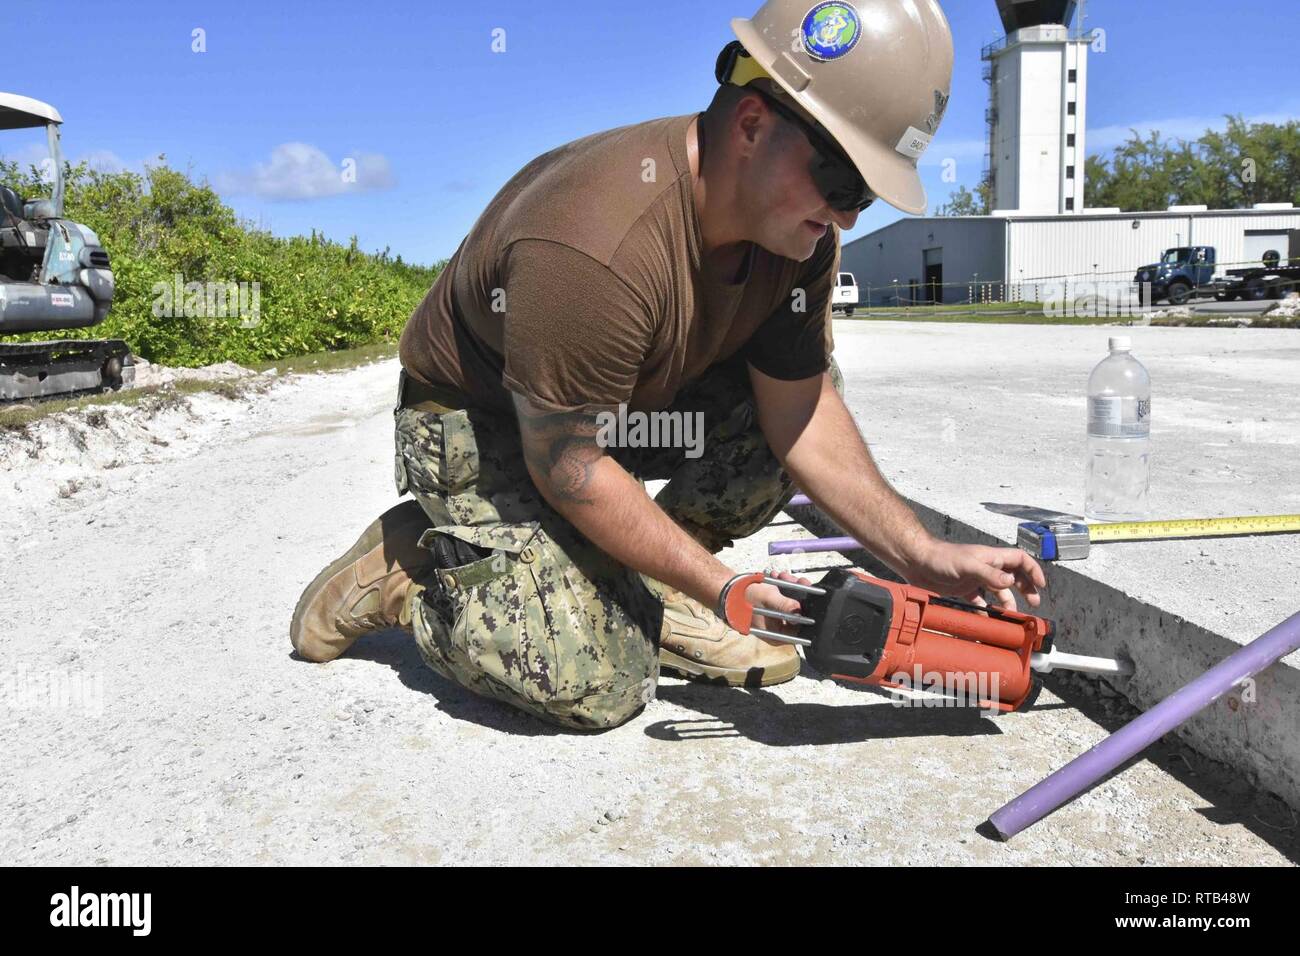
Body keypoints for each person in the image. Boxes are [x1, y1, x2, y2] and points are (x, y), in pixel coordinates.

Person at [291, 0, 1045, 730]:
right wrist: (724, 589)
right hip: (486, 428)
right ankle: (413, 575)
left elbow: (801, 415)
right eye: (843, 185)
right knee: (595, 682)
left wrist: (921, 553)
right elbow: (572, 469)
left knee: (800, 398)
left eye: (868, 201)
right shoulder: (593, 244)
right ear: (752, 124)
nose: (847, 217)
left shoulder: (798, 240)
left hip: (608, 411)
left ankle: (646, 583)